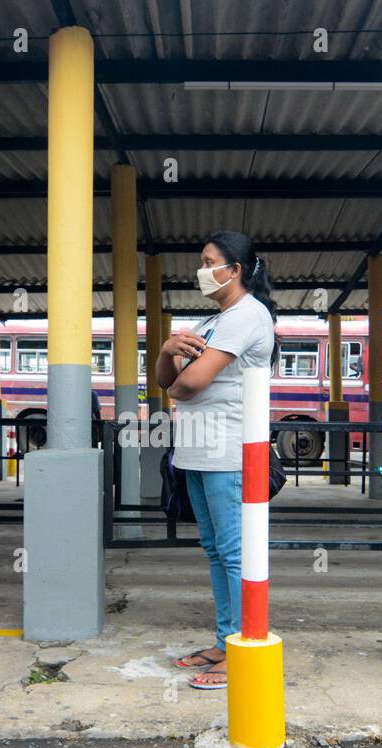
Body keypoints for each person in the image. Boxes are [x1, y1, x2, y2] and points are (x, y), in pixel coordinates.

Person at [161, 230, 277, 691]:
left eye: (211, 262)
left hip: (229, 453)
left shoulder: (248, 315)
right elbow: (168, 375)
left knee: (234, 553)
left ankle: (243, 645)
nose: (203, 270)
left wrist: (176, 380)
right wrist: (168, 352)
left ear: (236, 270)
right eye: (202, 261)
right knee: (215, 550)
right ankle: (226, 639)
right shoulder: (214, 321)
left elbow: (189, 385)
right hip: (197, 452)